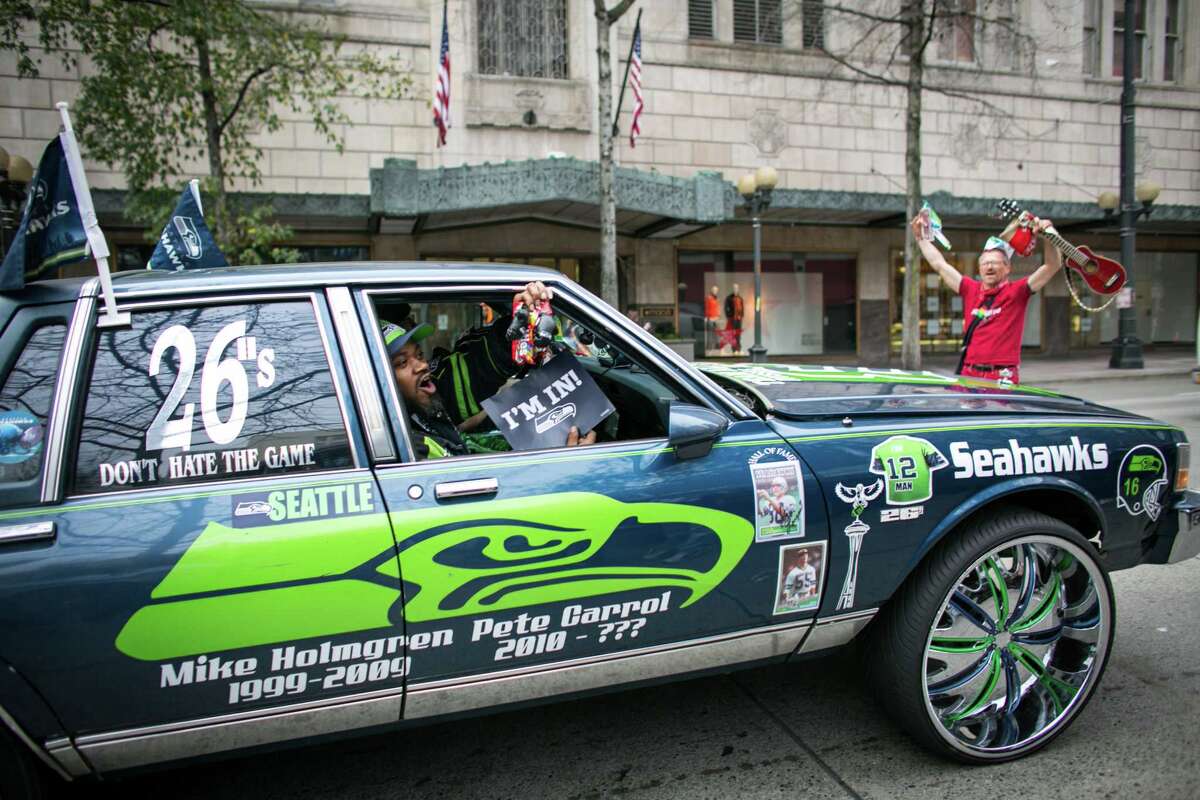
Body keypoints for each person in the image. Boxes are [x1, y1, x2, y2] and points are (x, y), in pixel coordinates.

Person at [383, 281, 597, 460]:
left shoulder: (421, 408)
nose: (421, 365)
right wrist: (562, 463)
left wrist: (521, 322)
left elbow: (473, 373)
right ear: (377, 378)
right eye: (402, 363)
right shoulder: (410, 448)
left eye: (420, 355)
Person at [911, 214, 1063, 384]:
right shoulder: (970, 289)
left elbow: (1052, 265)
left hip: (1002, 376)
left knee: (998, 412)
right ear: (979, 268)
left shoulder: (1018, 291)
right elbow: (939, 264)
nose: (989, 267)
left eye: (995, 263)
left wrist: (1049, 234)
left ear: (1007, 268)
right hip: (969, 372)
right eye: (985, 263)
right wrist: (920, 238)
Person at [724, 284, 745, 354]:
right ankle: (734, 349)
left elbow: (742, 308)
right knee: (732, 334)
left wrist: (742, 315)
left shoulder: (740, 298)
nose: (735, 289)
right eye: (734, 288)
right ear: (733, 289)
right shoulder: (729, 298)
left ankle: (738, 349)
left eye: (737, 288)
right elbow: (726, 308)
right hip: (732, 318)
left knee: (738, 334)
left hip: (739, 319)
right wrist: (729, 316)